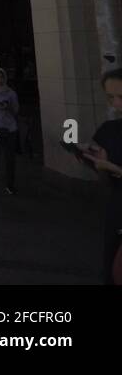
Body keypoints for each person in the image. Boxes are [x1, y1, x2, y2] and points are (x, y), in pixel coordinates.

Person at [83, 68, 122, 284]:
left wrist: (116, 169)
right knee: (111, 270)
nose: (116, 104)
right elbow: (103, 178)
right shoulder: (110, 129)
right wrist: (92, 159)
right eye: (110, 97)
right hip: (117, 207)